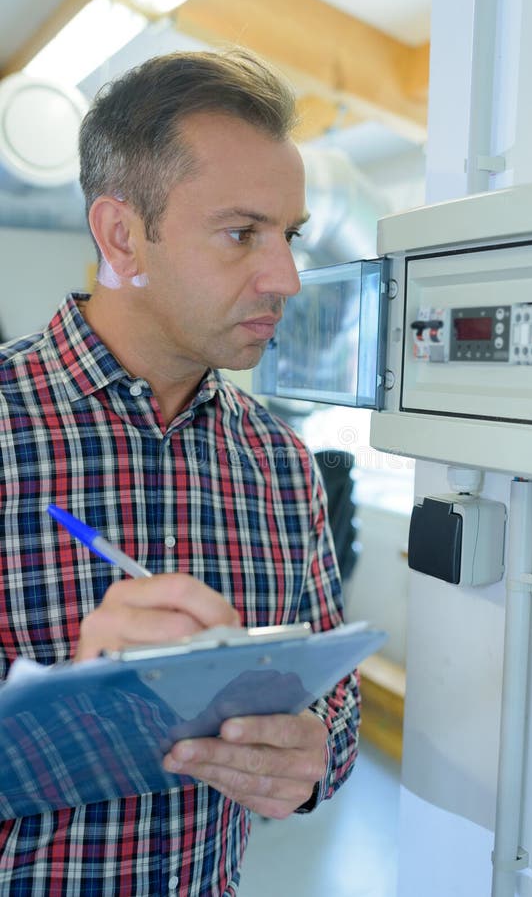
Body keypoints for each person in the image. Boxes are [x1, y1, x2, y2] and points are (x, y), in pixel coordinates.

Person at [0, 49, 360, 895]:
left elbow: (330, 698)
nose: (286, 278)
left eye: (289, 236)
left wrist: (311, 757)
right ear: (123, 235)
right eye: (241, 234)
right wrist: (74, 706)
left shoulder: (279, 463)